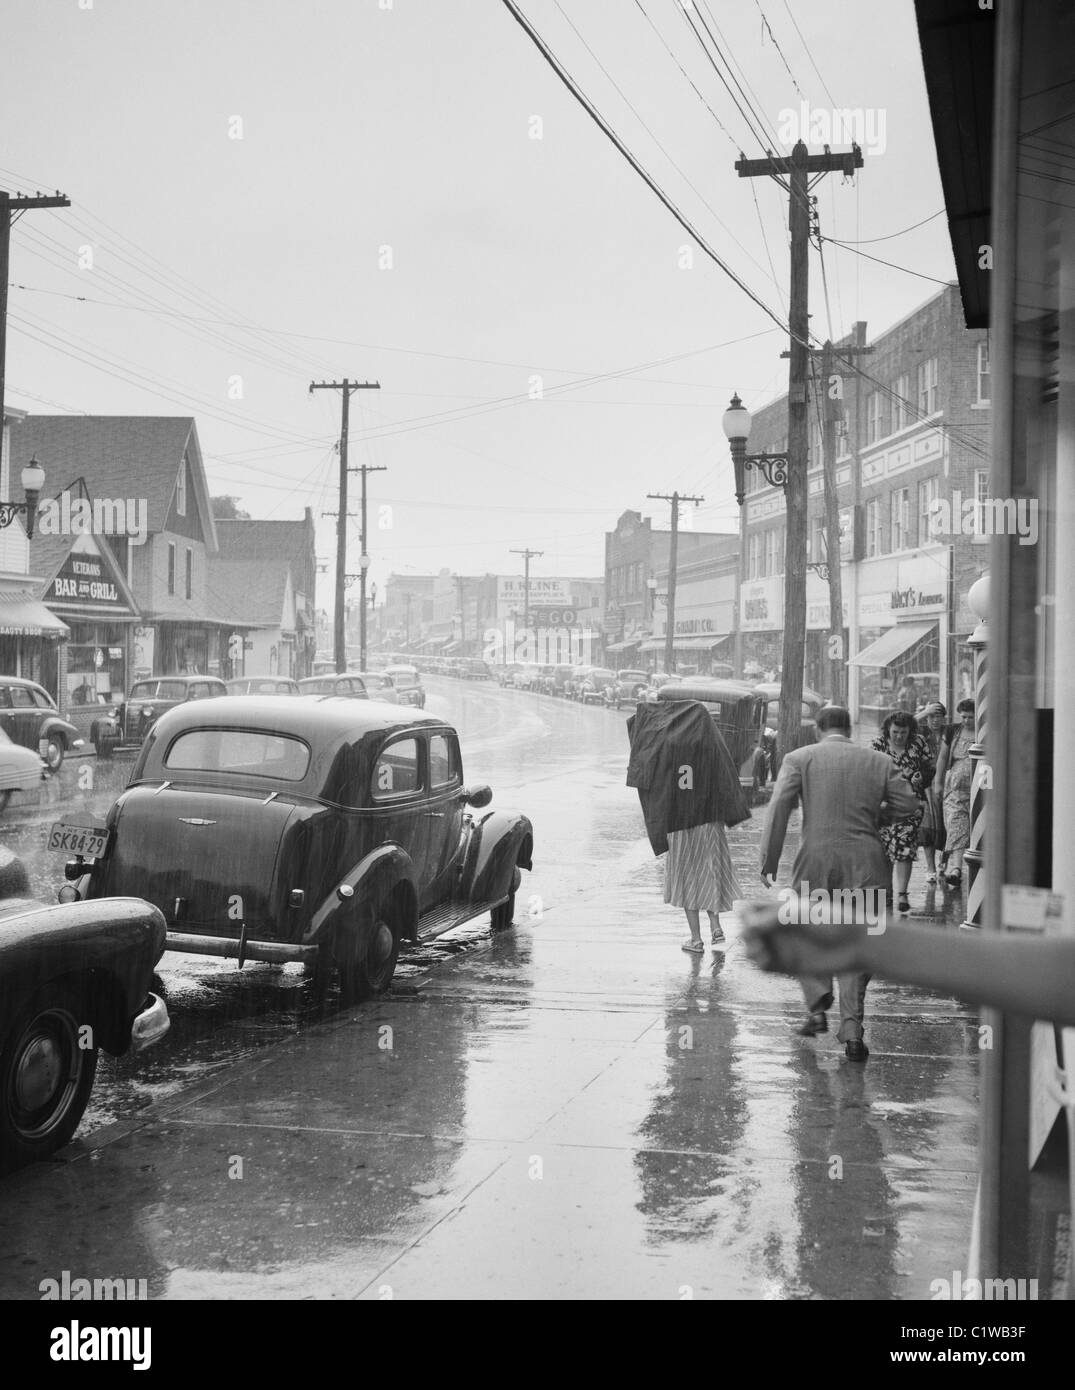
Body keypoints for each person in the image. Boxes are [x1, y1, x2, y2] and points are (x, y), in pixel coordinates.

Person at [759, 704, 920, 1060]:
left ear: (818, 728)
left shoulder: (800, 758)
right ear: (849, 729)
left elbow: (778, 809)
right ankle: (852, 1031)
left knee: (806, 933)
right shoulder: (877, 761)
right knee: (859, 946)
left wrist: (769, 859)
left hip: (815, 866)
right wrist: (876, 818)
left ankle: (817, 1006)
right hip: (866, 866)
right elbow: (909, 805)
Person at [627, 698, 751, 954]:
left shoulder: (665, 747)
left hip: (679, 822)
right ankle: (715, 924)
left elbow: (646, 771)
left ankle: (695, 939)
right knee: (709, 871)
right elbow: (725, 775)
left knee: (687, 878)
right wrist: (732, 812)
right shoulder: (708, 743)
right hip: (708, 819)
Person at [871, 711, 935, 913]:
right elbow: (869, 771)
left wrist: (921, 777)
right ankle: (887, 892)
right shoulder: (878, 745)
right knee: (885, 848)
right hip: (883, 805)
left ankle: (902, 894)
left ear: (910, 731)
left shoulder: (918, 742)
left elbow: (931, 767)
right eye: (895, 732)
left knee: (905, 848)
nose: (899, 736)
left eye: (903, 732)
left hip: (911, 803)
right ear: (888, 730)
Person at [934, 698, 976, 888]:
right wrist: (939, 783)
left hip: (979, 785)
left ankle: (951, 862)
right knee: (956, 823)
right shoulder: (952, 731)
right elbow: (943, 757)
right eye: (964, 716)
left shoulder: (986, 731)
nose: (967, 720)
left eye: (971, 717)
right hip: (955, 786)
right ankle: (956, 869)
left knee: (974, 824)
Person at [917, 702, 949, 882]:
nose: (935, 720)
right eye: (931, 716)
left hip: (948, 784)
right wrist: (924, 712)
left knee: (949, 826)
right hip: (927, 785)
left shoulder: (950, 732)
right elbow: (898, 725)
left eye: (938, 716)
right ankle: (931, 868)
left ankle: (944, 861)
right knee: (927, 828)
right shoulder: (920, 733)